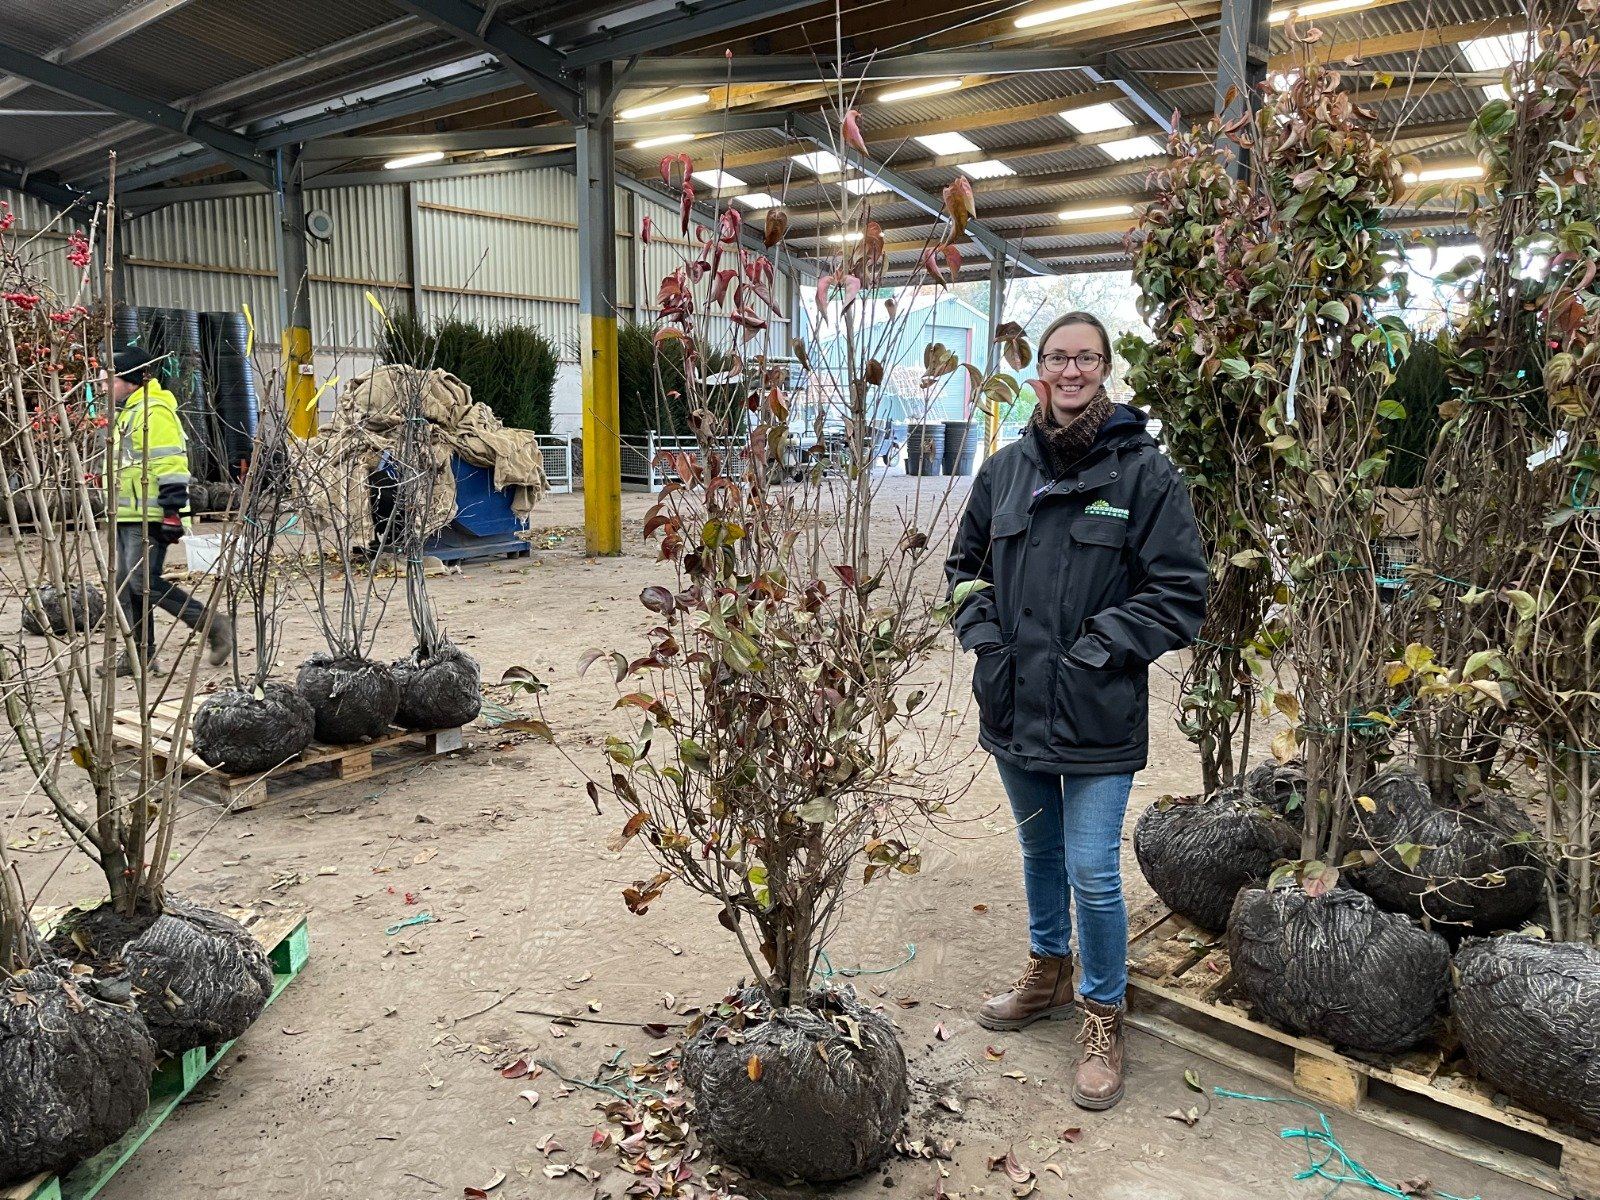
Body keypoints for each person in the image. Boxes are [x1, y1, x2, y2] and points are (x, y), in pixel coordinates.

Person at [944, 312, 1206, 1111]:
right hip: (1014, 705)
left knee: (1092, 869)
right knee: (1040, 853)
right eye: (1058, 357)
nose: (1070, 370)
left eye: (1085, 358)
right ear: (1039, 371)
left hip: (1096, 708)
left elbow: (1179, 593)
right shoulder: (1005, 471)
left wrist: (1097, 649)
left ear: (1104, 368)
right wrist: (987, 642)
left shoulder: (1144, 476)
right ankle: (1048, 970)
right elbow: (964, 569)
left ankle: (1102, 1011)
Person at [110, 346, 232, 675]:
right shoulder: (128, 413)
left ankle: (214, 626)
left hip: (151, 515)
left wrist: (172, 513)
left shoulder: (154, 412)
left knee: (142, 582)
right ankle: (139, 655)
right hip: (128, 514)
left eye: (112, 378)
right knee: (126, 583)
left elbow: (172, 465)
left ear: (131, 380)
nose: (105, 385)